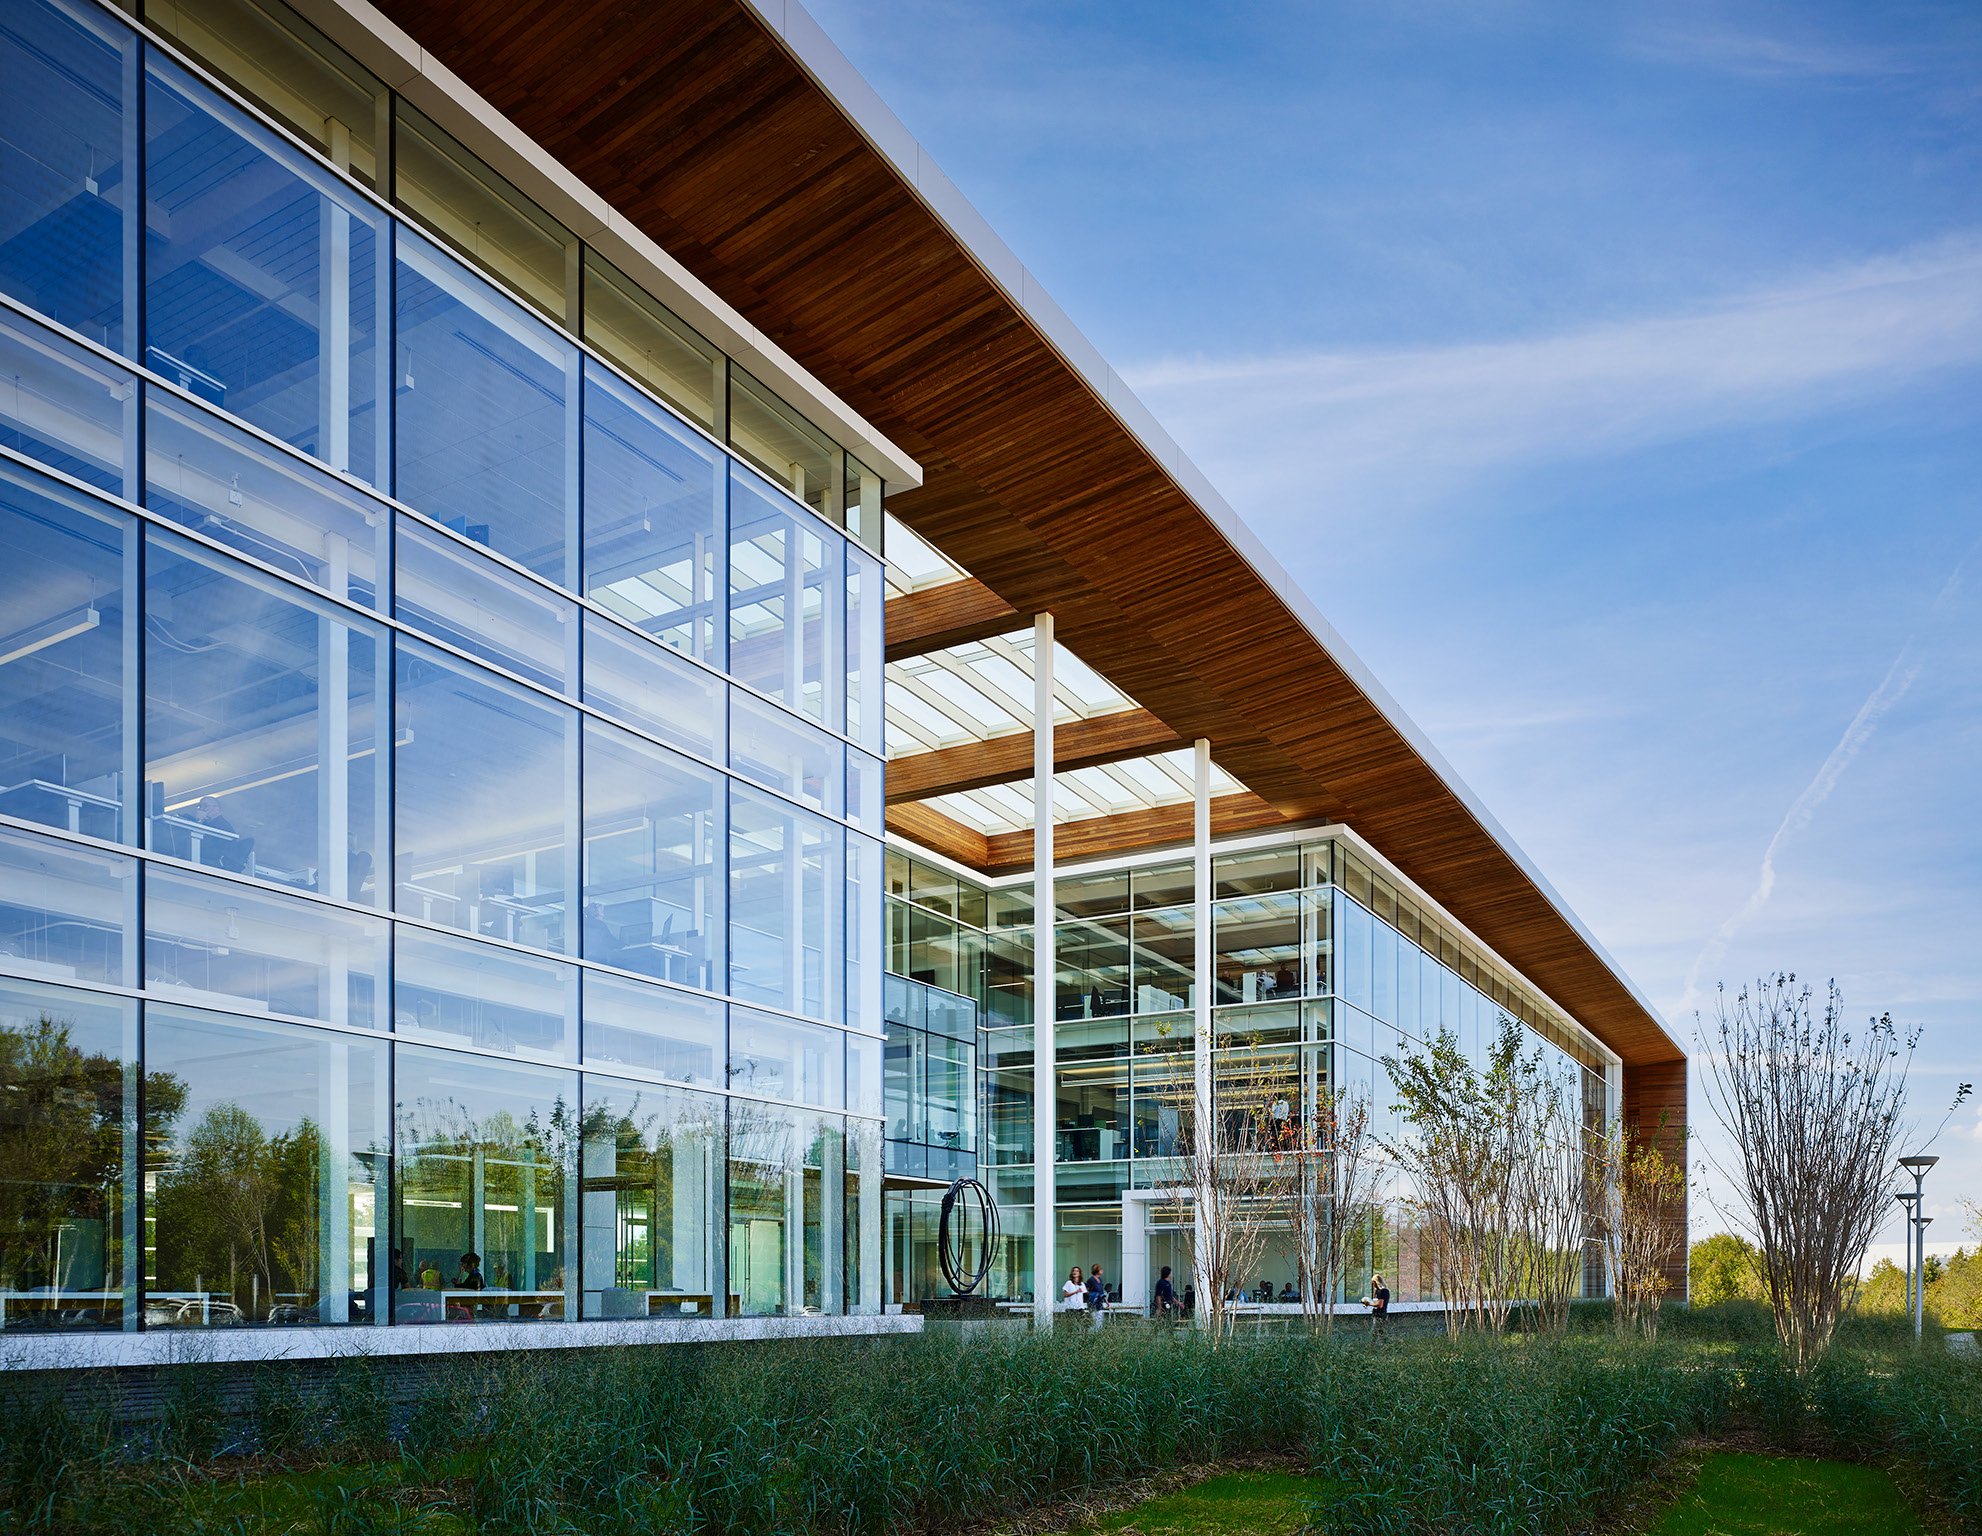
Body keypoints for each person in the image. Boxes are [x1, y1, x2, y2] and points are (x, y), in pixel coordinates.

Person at [1362, 1271, 1391, 1341]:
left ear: (1376, 1282)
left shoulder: (1380, 1292)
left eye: (1373, 1283)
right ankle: (1386, 1347)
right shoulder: (1386, 1291)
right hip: (1384, 1313)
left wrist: (1369, 1304)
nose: (1373, 1285)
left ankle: (1372, 1347)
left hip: (1378, 1315)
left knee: (1373, 1334)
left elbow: (1380, 1305)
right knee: (1382, 1333)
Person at [1084, 1263, 1107, 1331]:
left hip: (1099, 1303)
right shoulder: (1091, 1280)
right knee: (1095, 1321)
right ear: (1097, 1270)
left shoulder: (1100, 1279)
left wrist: (1106, 1300)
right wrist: (1093, 1295)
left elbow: (1101, 1291)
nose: (1102, 1270)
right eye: (1101, 1269)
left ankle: (1096, 1335)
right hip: (1093, 1302)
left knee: (1100, 1321)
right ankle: (1090, 1334)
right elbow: (1086, 1291)